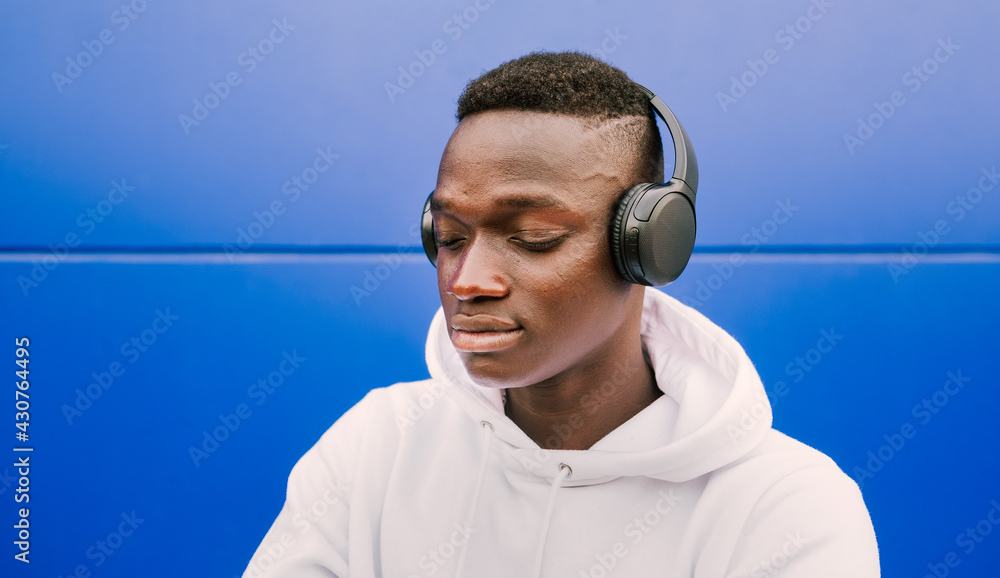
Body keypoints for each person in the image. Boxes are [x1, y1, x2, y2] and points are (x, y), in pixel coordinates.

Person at [244, 51, 880, 577]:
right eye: (450, 235)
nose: (467, 282)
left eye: (533, 238)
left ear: (646, 246)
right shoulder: (378, 444)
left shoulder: (787, 505)